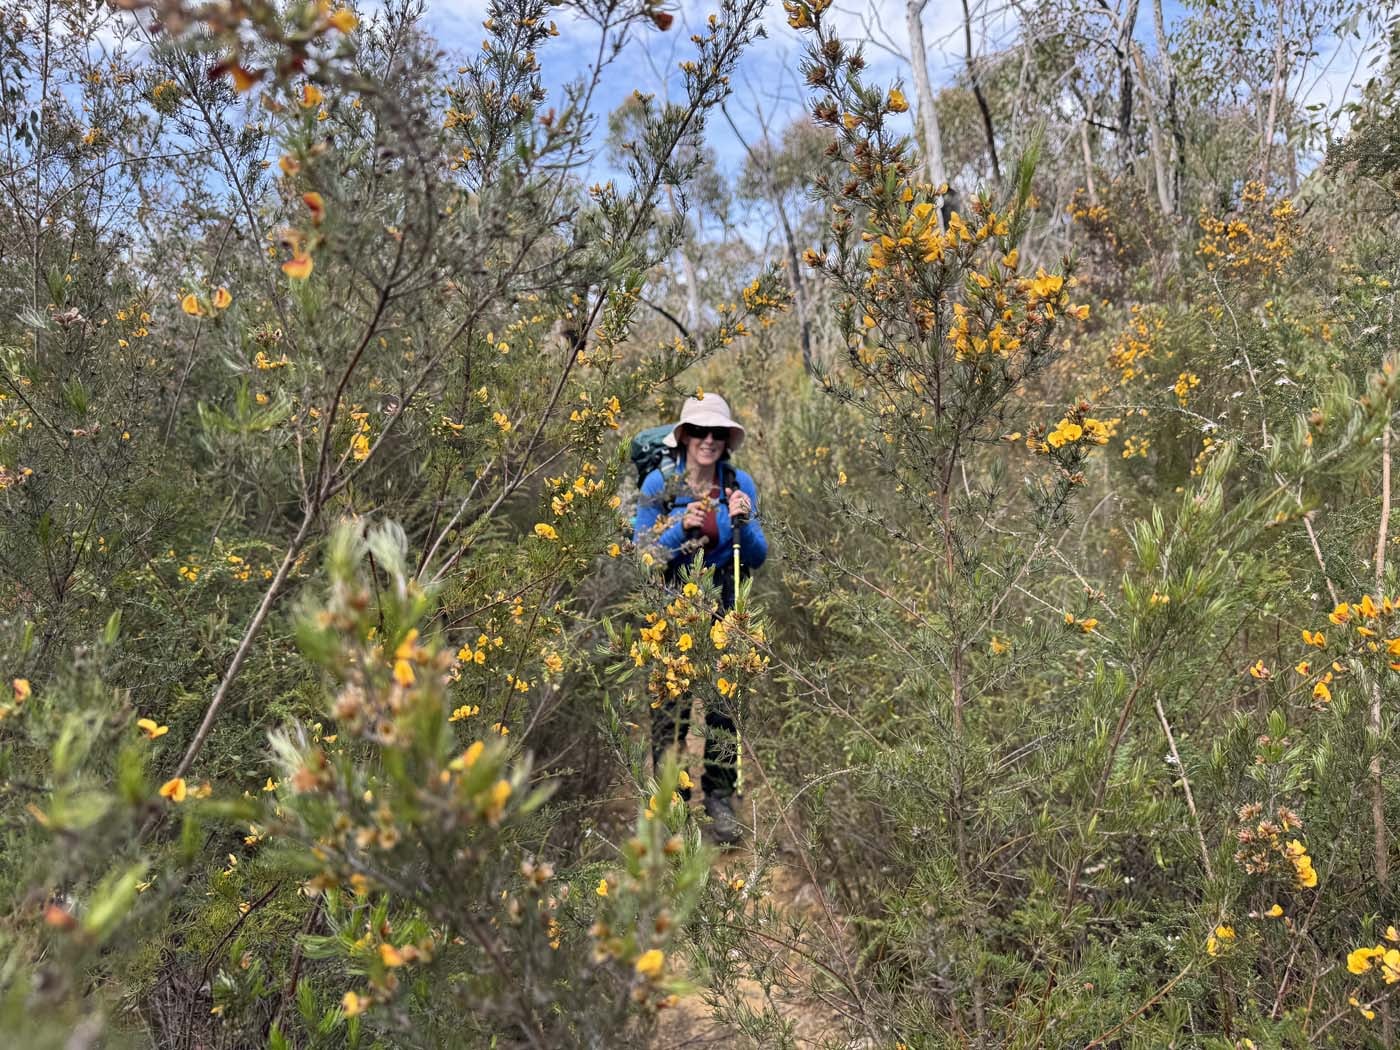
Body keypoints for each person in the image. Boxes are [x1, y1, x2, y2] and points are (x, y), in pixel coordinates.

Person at [633, 393, 767, 845]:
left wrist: (743, 523)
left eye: (718, 433)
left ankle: (720, 802)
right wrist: (680, 528)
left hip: (725, 607)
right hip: (671, 610)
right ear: (685, 436)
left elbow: (758, 556)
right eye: (699, 432)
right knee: (670, 708)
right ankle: (671, 803)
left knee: (723, 707)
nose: (708, 440)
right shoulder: (660, 484)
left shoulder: (738, 481)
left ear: (726, 440)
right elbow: (644, 556)